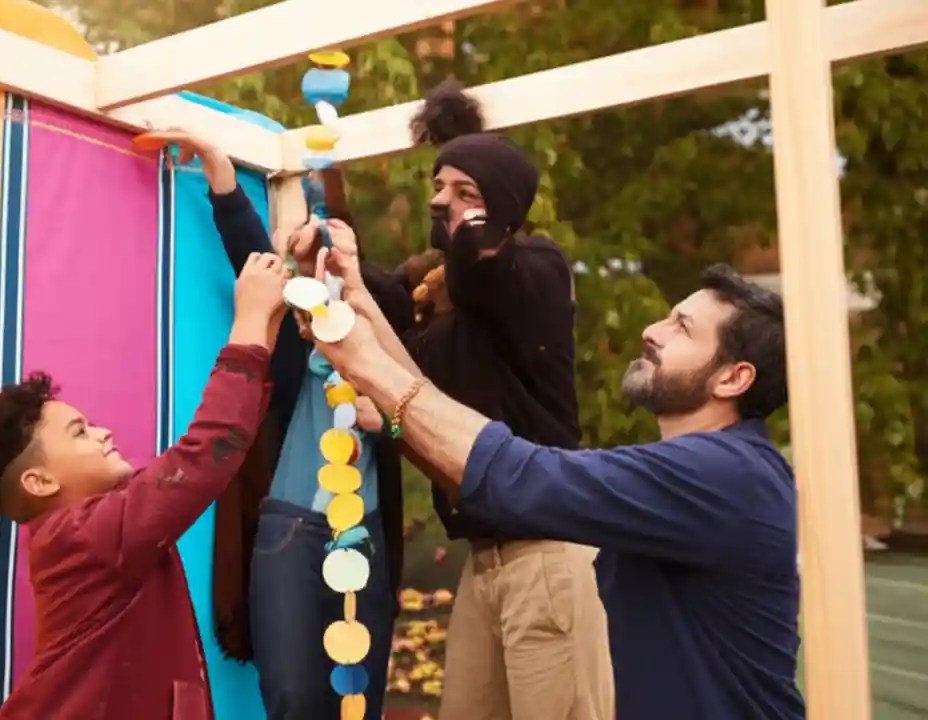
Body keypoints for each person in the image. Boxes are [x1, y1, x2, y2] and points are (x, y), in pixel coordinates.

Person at [314, 250, 805, 720]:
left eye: (682, 328)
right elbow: (465, 448)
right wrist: (362, 310)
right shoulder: (702, 470)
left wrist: (367, 365)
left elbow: (514, 474)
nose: (651, 331)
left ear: (733, 378)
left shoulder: (725, 476)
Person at [0, 252, 289, 720]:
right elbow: (202, 458)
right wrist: (249, 317)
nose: (103, 433)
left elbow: (213, 450)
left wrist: (266, 325)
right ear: (40, 480)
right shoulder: (84, 536)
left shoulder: (105, 527)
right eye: (80, 432)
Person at [148, 131, 412, 719]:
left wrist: (389, 421)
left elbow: (427, 421)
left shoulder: (387, 356)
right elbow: (250, 251)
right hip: (290, 530)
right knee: (292, 696)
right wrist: (219, 173)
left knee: (358, 701)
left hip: (362, 537)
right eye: (300, 263)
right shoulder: (296, 343)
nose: (310, 267)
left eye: (324, 259)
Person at [399, 82, 613, 719]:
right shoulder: (440, 304)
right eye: (438, 188)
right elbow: (371, 303)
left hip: (545, 554)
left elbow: (482, 261)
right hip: (484, 560)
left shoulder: (536, 269)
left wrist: (467, 207)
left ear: (504, 208)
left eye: (464, 192)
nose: (440, 203)